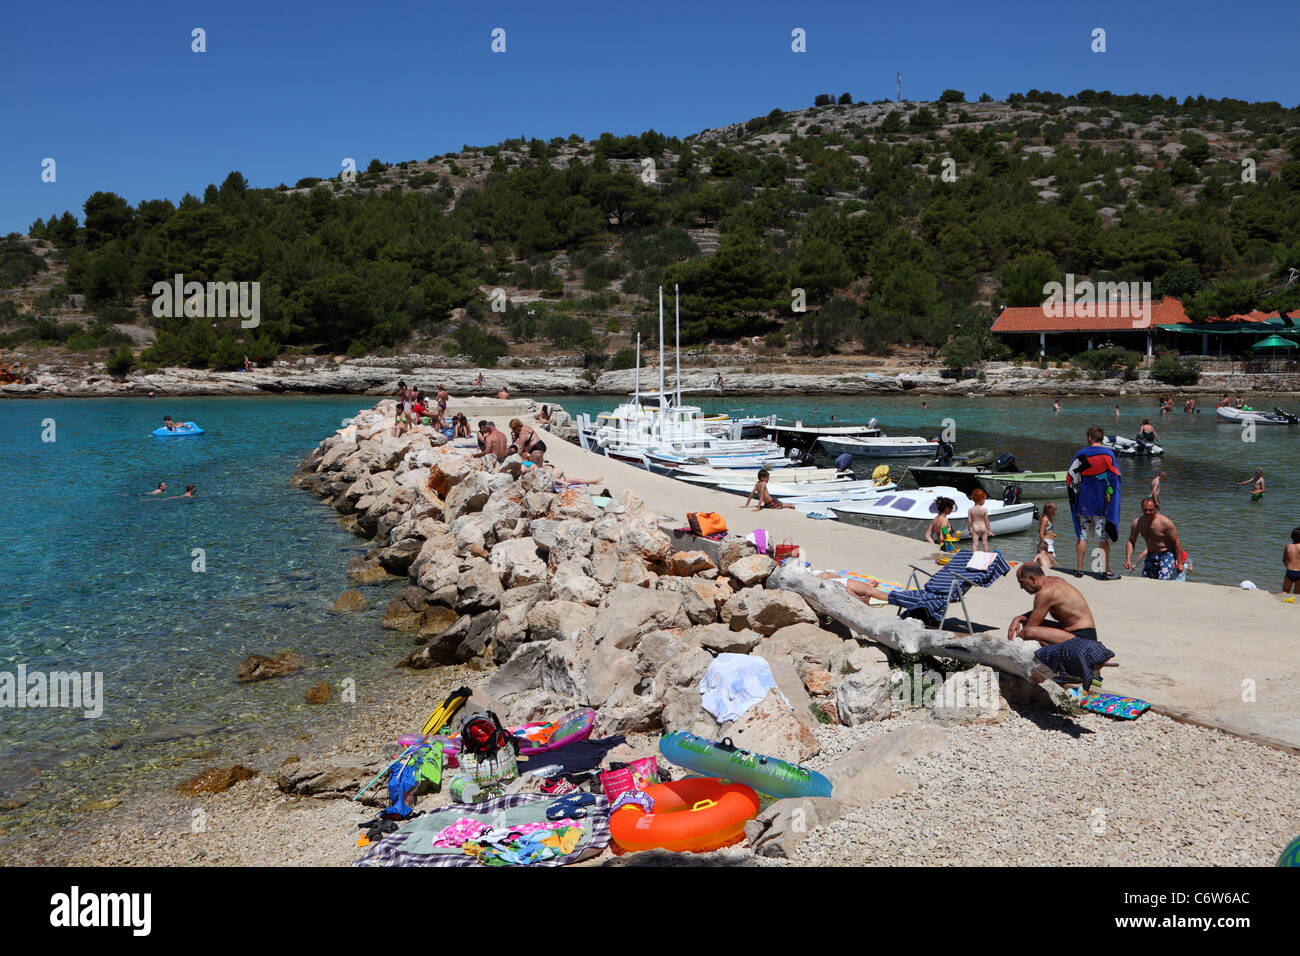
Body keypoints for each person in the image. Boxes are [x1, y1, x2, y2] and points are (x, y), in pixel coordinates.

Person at [1007, 565, 1114, 691]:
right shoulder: (1054, 581)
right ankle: (1062, 667)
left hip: (1082, 638)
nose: (1021, 587)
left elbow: (1029, 629)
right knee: (1030, 628)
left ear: (1032, 578)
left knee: (1030, 632)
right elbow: (1038, 613)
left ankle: (1011, 658)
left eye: (1022, 583)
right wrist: (1019, 618)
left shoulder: (1045, 593)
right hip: (1081, 634)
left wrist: (1010, 649)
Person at [1066, 425, 1122, 579]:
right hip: (1102, 505)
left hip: (1084, 504)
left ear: (1089, 438)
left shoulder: (1081, 454)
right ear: (1102, 438)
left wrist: (1075, 498)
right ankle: (1105, 571)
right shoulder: (1109, 454)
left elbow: (1070, 478)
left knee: (1082, 537)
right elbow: (1116, 477)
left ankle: (1079, 570)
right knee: (1103, 539)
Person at [1124, 497, 1184, 580]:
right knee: (1146, 580)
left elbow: (1176, 542)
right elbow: (1131, 541)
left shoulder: (1165, 522)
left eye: (1150, 510)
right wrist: (1128, 559)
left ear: (1155, 508)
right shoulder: (1137, 523)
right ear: (1141, 508)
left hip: (1166, 554)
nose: (1147, 512)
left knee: (1163, 580)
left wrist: (1180, 562)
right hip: (1151, 554)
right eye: (1145, 510)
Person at [1282, 527, 1300, 595]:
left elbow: (1284, 560)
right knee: (1297, 593)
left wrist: (1289, 568)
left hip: (1290, 571)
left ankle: (1282, 604)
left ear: (1291, 537)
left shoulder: (1288, 546)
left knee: (1285, 590)